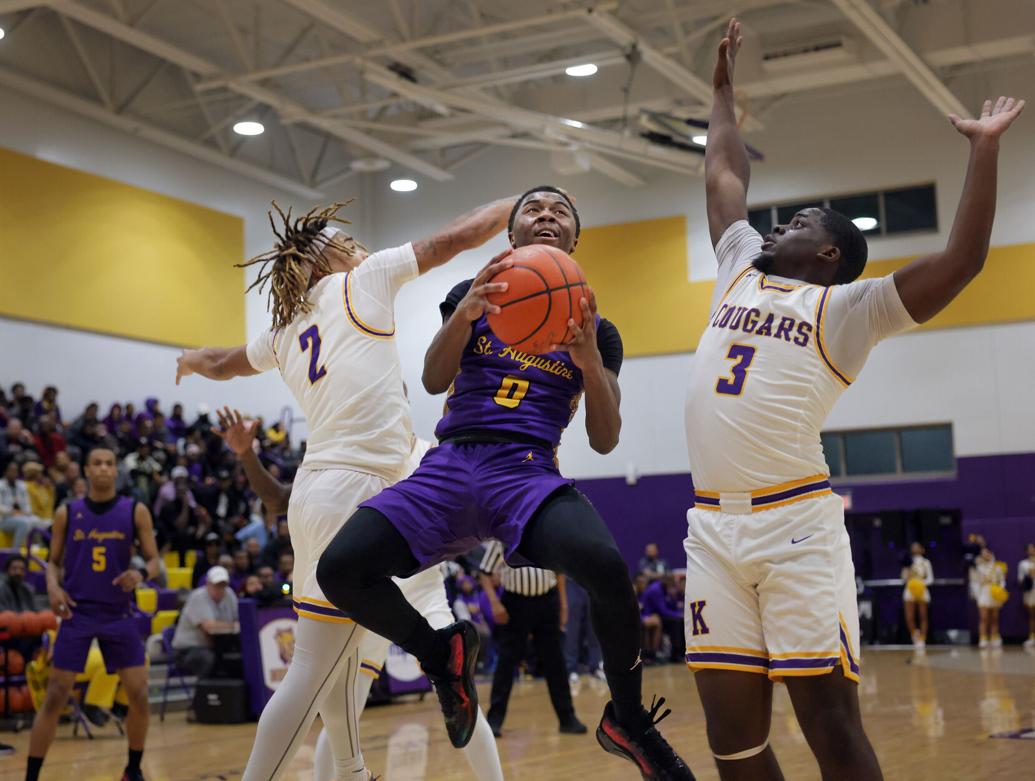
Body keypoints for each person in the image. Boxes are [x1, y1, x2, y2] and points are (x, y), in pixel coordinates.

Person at [682, 18, 1024, 781]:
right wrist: (722, 95)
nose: (776, 223)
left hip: (793, 525)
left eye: (799, 222)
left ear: (830, 253)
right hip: (709, 526)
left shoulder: (850, 310)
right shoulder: (739, 263)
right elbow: (723, 176)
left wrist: (984, 148)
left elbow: (962, 261)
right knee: (730, 739)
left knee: (828, 724)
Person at [316, 184, 693, 779]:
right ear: (512, 235)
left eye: (560, 210)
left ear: (574, 237)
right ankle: (444, 656)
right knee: (338, 570)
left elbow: (604, 438)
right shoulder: (471, 295)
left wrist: (590, 359)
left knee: (607, 571)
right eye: (533, 210)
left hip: (526, 472)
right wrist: (465, 316)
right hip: (451, 464)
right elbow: (435, 379)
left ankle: (628, 720)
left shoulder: (602, 329)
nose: (546, 215)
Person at [176, 194, 515, 781]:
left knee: (327, 671)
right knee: (312, 675)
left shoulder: (282, 330)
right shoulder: (363, 280)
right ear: (323, 257)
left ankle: (352, 774)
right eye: (347, 241)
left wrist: (190, 360)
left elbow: (223, 360)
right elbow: (451, 239)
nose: (359, 247)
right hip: (361, 495)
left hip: (316, 491)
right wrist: (520, 206)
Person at [213, 406, 504, 781]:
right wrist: (247, 454)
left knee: (460, 698)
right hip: (362, 590)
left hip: (419, 590)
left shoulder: (431, 455)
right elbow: (279, 500)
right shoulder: (340, 451)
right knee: (339, 707)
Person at [25, 447, 160, 781]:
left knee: (140, 694)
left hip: (119, 612)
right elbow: (53, 563)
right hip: (78, 612)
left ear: (116, 471)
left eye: (109, 464)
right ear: (86, 470)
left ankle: (133, 769)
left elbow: (155, 562)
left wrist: (141, 574)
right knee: (56, 694)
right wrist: (53, 589)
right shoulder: (67, 512)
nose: (103, 469)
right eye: (96, 463)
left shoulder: (135, 511)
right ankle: (31, 776)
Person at [477, 539, 585, 737]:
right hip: (515, 603)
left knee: (556, 662)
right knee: (507, 662)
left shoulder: (546, 532)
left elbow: (559, 572)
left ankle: (567, 718)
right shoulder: (503, 537)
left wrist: (563, 605)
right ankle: (494, 720)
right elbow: (484, 572)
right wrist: (494, 603)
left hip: (547, 601)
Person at [171, 565, 239, 677]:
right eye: (216, 585)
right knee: (209, 659)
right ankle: (207, 693)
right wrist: (233, 626)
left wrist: (227, 626)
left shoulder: (230, 594)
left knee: (235, 657)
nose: (220, 589)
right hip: (187, 650)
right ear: (208, 584)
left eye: (223, 585)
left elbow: (240, 621)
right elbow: (210, 628)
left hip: (215, 645)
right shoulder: (198, 596)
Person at [902, 542, 934, 650]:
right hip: (910, 590)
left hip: (922, 590)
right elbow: (903, 578)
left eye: (917, 547)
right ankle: (915, 635)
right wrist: (908, 574)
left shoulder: (926, 563)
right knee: (909, 616)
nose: (915, 549)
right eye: (913, 547)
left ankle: (922, 638)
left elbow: (930, 578)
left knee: (923, 616)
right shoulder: (907, 562)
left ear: (922, 549)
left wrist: (921, 584)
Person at [972, 547, 1005, 648]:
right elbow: (975, 582)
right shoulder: (978, 567)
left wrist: (999, 590)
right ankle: (983, 638)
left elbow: (1002, 581)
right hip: (984, 592)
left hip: (994, 592)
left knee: (994, 618)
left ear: (991, 553)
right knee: (984, 617)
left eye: (986, 553)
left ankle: (994, 637)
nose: (984, 555)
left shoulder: (998, 567)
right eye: (982, 554)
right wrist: (977, 595)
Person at [1, 461, 39, 549]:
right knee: (24, 523)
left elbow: (27, 504)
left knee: (36, 520)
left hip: (20, 515)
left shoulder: (21, 485)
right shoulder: (0, 485)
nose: (13, 473)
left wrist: (26, 512)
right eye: (11, 471)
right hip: (4, 519)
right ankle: (15, 551)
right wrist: (11, 511)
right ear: (5, 472)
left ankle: (35, 547)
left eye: (15, 471)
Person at [1018, 543, 1035, 650]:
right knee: (1032, 615)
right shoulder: (1023, 564)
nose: (1031, 551)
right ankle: (1032, 637)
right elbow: (1020, 579)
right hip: (1030, 592)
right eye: (1029, 549)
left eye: (1033, 549)